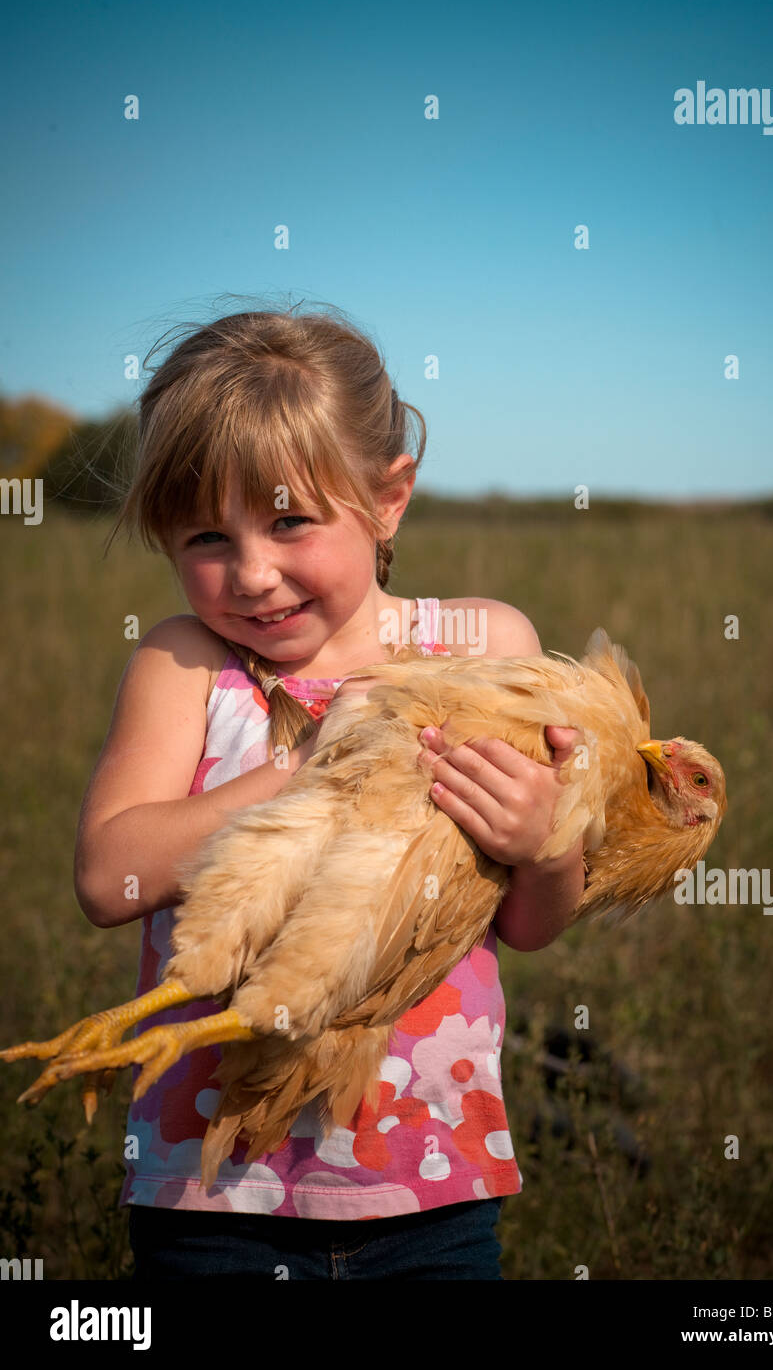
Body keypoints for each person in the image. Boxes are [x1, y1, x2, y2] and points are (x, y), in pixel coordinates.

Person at [77, 301, 587, 1279]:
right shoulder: (187, 665)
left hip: (430, 1181)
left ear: (388, 497)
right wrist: (303, 767)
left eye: (287, 522)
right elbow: (108, 879)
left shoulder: (484, 650)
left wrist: (546, 842)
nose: (251, 574)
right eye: (203, 539)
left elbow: (526, 924)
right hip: (213, 1188)